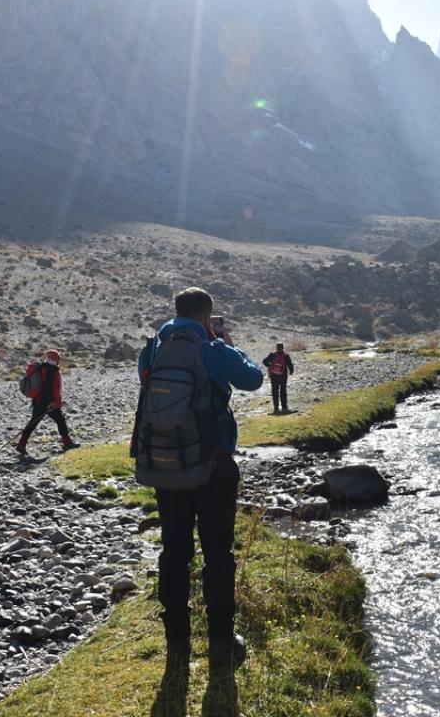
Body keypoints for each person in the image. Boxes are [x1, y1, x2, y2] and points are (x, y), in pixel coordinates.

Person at [135, 287, 262, 704]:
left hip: (166, 467)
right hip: (212, 465)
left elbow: (147, 383)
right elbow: (253, 379)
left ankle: (177, 642)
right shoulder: (211, 347)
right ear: (207, 316)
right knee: (218, 553)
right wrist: (224, 342)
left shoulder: (156, 347)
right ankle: (222, 643)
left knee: (174, 551)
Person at [16, 349, 79, 457]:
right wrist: (55, 403)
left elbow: (30, 369)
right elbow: (55, 389)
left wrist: (41, 358)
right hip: (49, 403)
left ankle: (21, 444)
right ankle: (67, 443)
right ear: (56, 360)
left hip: (37, 401)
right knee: (60, 420)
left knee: (32, 423)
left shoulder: (38, 368)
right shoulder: (53, 371)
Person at [261, 342, 295, 414]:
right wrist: (291, 371)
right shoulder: (286, 356)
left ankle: (276, 409)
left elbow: (264, 361)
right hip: (283, 376)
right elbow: (290, 365)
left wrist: (270, 366)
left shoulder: (272, 355)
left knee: (275, 392)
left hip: (274, 376)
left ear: (276, 348)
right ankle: (284, 408)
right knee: (283, 391)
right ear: (283, 348)